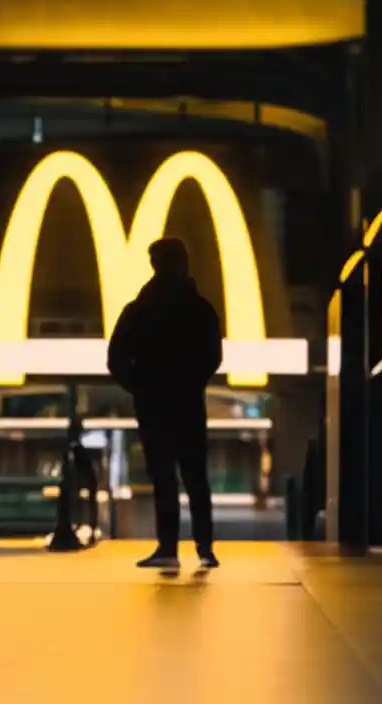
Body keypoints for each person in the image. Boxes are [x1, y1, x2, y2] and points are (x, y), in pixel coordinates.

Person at [108, 238, 222, 568]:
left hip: (153, 404)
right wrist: (191, 381)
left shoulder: (139, 309)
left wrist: (140, 386)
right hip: (187, 402)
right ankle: (204, 548)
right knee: (195, 477)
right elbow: (212, 356)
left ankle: (168, 548)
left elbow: (116, 358)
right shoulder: (200, 309)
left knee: (164, 478)